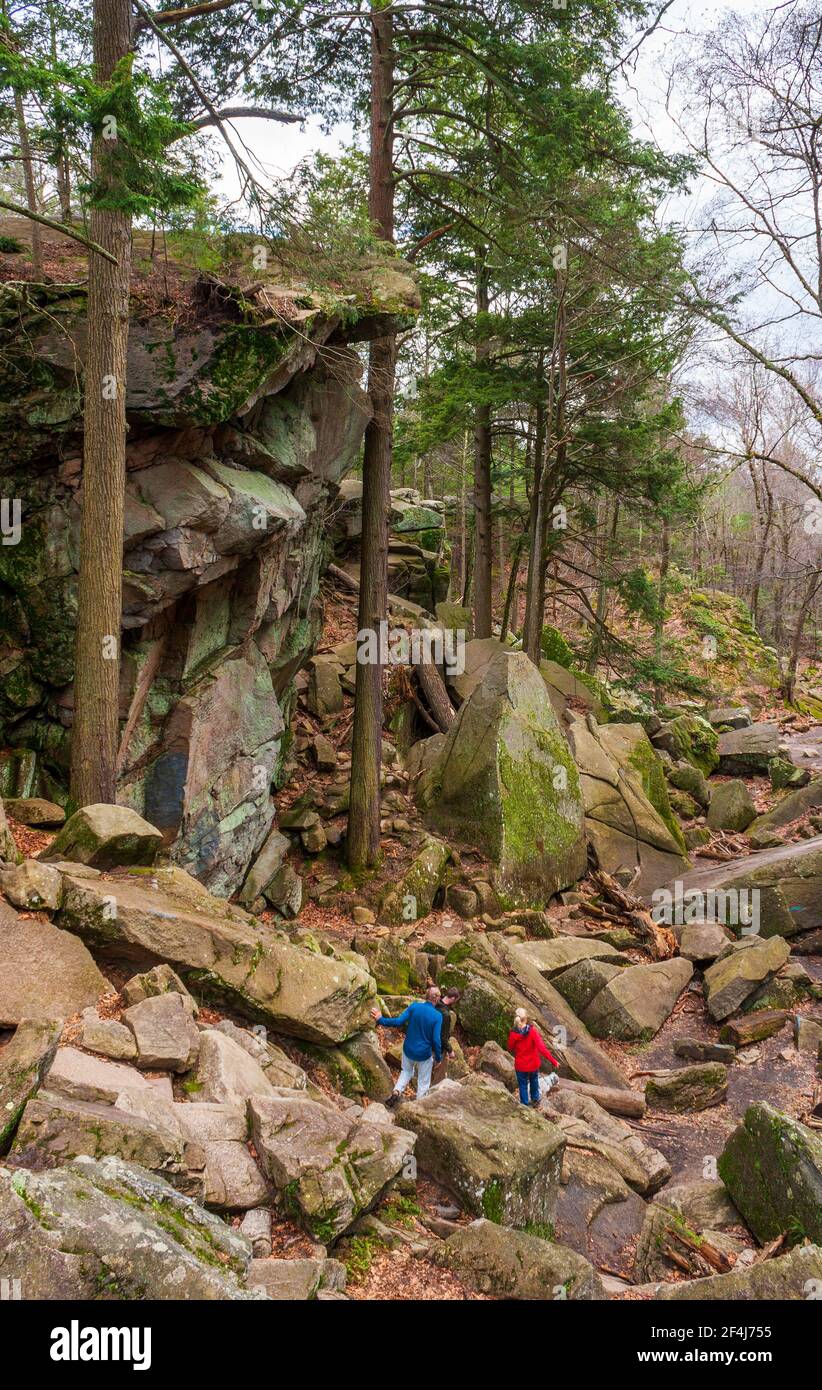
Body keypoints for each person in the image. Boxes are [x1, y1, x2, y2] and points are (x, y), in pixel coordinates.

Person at [371, 986, 443, 1106]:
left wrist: (380, 1019)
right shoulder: (437, 1016)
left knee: (407, 1071)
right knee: (423, 1082)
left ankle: (397, 1090)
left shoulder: (414, 1006)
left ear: (426, 996)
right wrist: (439, 1058)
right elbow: (436, 1040)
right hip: (424, 1055)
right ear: (437, 999)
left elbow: (398, 1022)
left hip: (408, 1049)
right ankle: (418, 1107)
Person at [507, 1007, 559, 1107]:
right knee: (534, 1080)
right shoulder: (532, 1032)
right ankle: (535, 1099)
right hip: (533, 1065)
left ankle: (524, 1105)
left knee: (523, 1085)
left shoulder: (513, 1034)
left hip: (521, 1065)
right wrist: (554, 1061)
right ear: (526, 1019)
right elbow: (542, 1049)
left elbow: (510, 1047)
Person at [431, 986, 460, 1084]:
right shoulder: (445, 1015)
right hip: (438, 1048)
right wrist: (450, 1050)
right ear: (453, 998)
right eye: (455, 1000)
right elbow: (443, 1036)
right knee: (439, 1076)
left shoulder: (435, 1004)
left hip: (428, 1042)